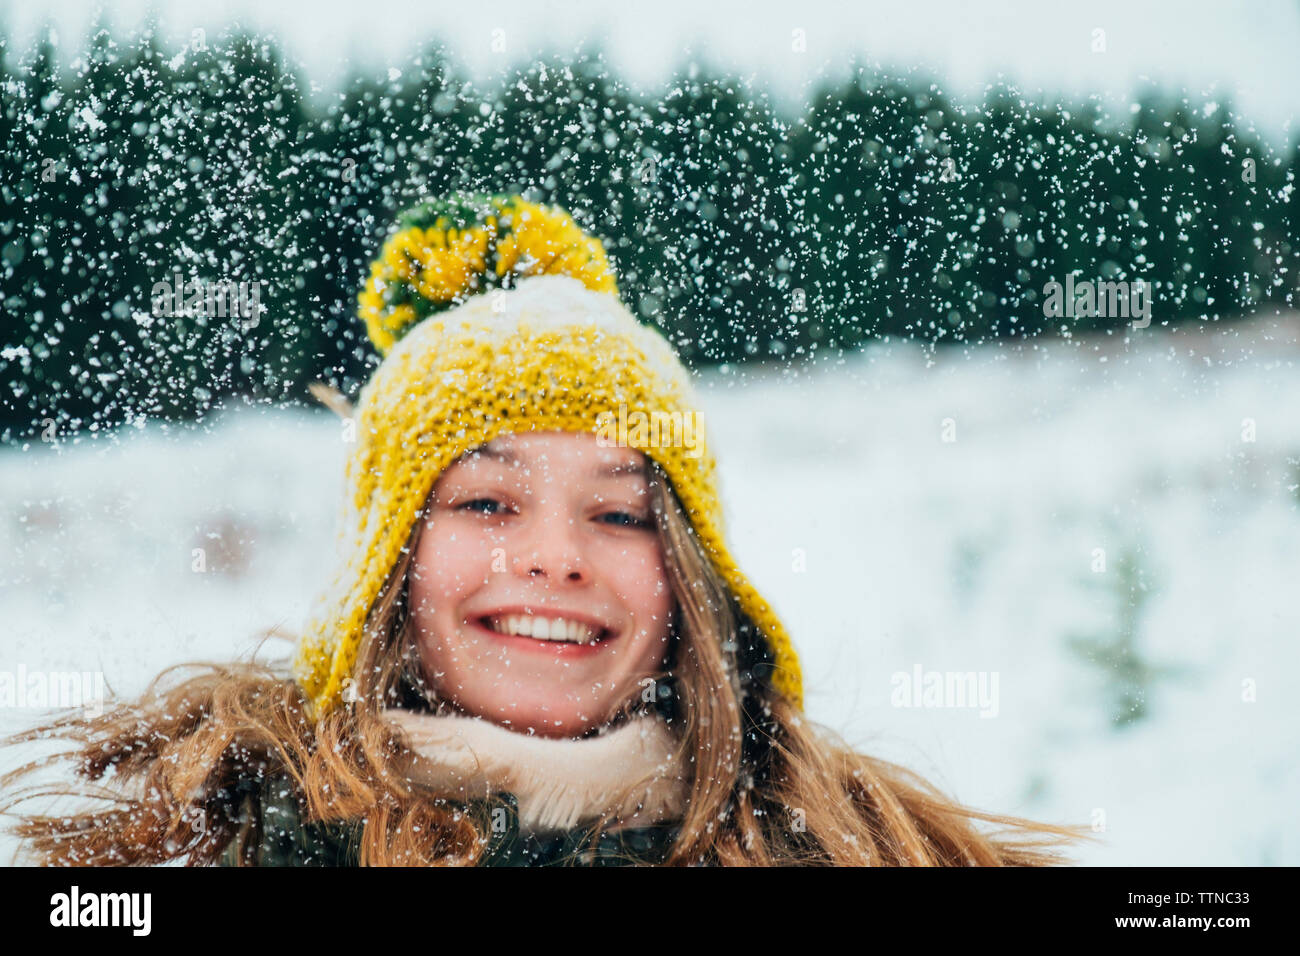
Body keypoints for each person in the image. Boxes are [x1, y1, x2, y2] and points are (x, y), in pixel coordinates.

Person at [1, 193, 1093, 866]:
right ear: (387, 557)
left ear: (692, 578)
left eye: (620, 513)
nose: (555, 555)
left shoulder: (864, 849)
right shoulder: (190, 837)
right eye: (485, 501)